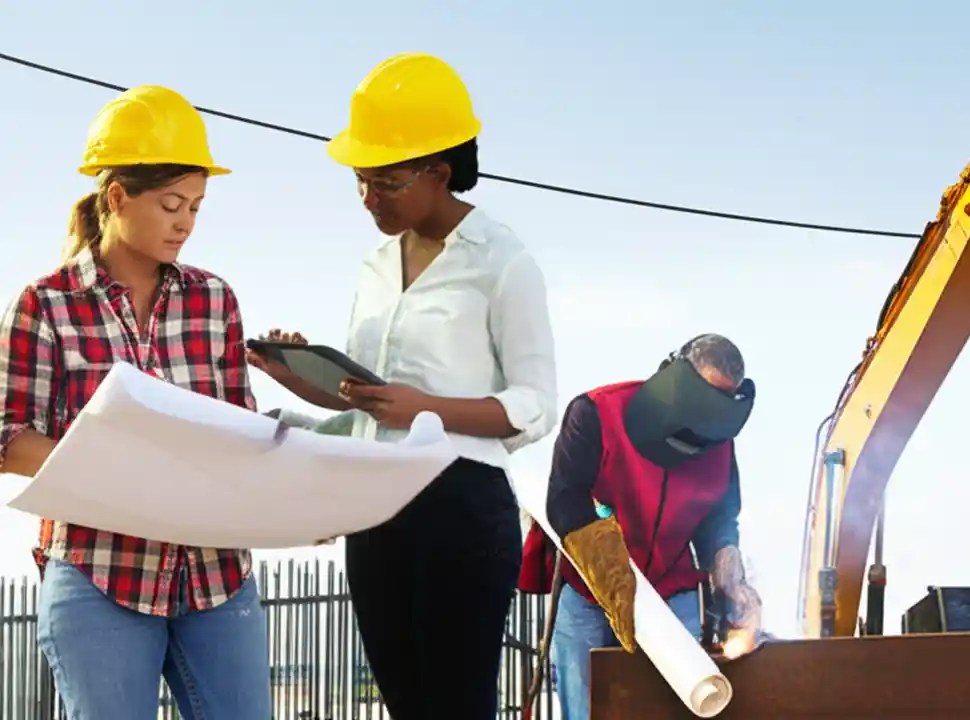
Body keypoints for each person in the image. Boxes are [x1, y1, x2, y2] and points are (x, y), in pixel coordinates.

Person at [247, 52, 558, 719]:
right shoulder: (375, 264)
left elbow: (536, 406)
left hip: (462, 506)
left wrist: (429, 409)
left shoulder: (503, 262)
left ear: (438, 173)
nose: (369, 198)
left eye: (385, 182)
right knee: (404, 705)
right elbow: (366, 403)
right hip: (376, 506)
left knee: (455, 705)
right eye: (361, 181)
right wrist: (300, 378)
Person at [0, 85, 270, 717]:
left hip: (216, 573)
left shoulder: (215, 300)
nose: (186, 223)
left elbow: (240, 428)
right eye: (172, 203)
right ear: (117, 196)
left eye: (197, 207)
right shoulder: (46, 304)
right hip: (100, 573)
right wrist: (124, 469)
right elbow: (8, 437)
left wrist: (296, 499)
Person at [517, 333, 764, 720]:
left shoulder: (720, 442)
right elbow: (565, 503)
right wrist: (612, 579)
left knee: (676, 700)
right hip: (588, 592)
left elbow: (718, 519)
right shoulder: (596, 413)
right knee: (584, 709)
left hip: (670, 590)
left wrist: (730, 580)